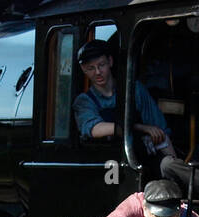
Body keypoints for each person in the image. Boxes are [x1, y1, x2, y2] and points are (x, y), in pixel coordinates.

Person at [72, 39, 175, 173]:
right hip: (106, 165)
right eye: (91, 68)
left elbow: (160, 131)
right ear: (83, 69)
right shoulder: (84, 101)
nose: (97, 72)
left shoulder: (135, 90)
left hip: (142, 160)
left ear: (110, 61)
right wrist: (139, 127)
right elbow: (94, 129)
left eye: (101, 65)